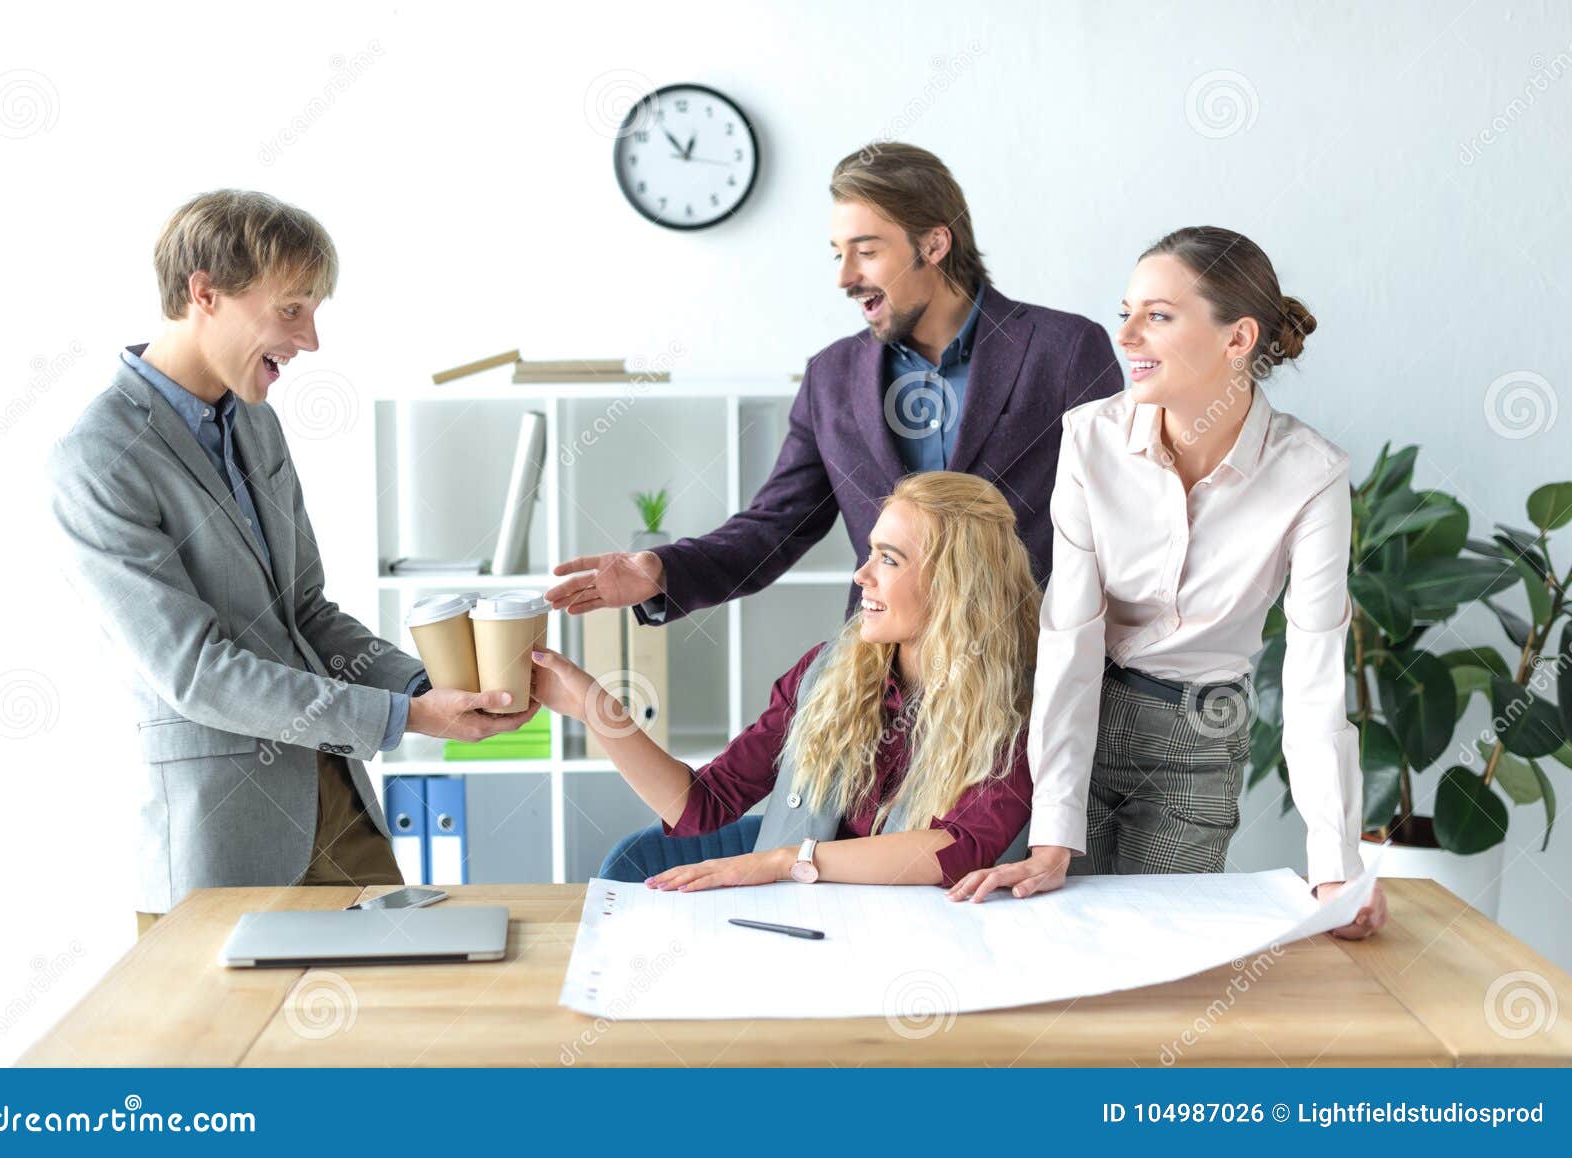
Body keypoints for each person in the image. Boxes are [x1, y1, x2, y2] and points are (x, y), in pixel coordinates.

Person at [48, 190, 534, 928]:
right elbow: (195, 672)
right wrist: (405, 718)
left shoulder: (256, 422)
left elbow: (305, 613)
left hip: (337, 804)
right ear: (204, 293)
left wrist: (435, 687)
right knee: (230, 1046)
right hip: (223, 840)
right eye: (290, 310)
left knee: (391, 1024)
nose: (310, 340)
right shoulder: (99, 458)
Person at [949, 226, 1387, 940]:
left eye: (1157, 314)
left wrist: (1334, 863)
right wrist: (1053, 832)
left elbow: (1314, 678)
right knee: (1056, 938)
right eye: (1126, 310)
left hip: (1200, 734)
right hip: (1080, 721)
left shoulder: (1311, 475)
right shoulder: (1088, 438)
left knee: (1158, 947)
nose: (1124, 335)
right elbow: (1070, 637)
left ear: (1237, 337)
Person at [544, 142, 1121, 624]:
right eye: (838, 254)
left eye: (866, 252)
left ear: (934, 244)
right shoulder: (831, 378)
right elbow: (774, 527)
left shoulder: (1065, 350)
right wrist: (663, 569)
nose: (846, 277)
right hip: (882, 680)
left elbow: (1119, 518)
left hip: (1032, 670)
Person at [529, 472, 1037, 889]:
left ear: (955, 584)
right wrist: (592, 707)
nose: (862, 576)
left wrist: (786, 860)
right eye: (870, 553)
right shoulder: (823, 672)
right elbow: (700, 806)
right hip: (796, 939)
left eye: (889, 558)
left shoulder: (1016, 708)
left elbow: (959, 849)